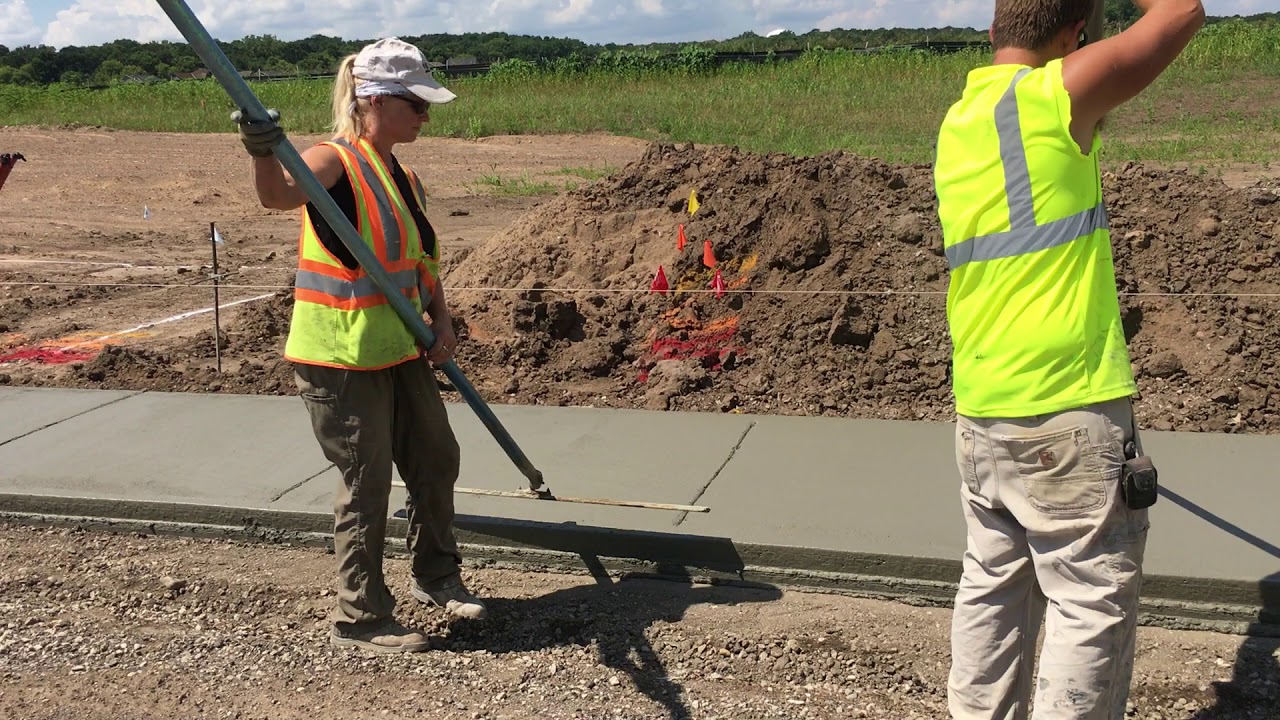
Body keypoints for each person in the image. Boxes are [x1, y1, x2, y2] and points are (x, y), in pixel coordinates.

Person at [933, 0, 1203, 717]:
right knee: (1088, 601)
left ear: (994, 32)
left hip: (983, 412)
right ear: (1073, 37)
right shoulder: (1059, 97)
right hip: (1070, 411)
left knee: (992, 589)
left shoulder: (959, 123)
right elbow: (1183, 11)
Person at [233, 37, 487, 654]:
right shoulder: (331, 162)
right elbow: (276, 196)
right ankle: (361, 616)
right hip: (340, 357)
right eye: (416, 104)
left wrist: (444, 321)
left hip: (400, 346)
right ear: (373, 99)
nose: (426, 116)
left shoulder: (404, 173)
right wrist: (263, 151)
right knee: (366, 483)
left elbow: (423, 261)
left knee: (436, 458)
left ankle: (437, 576)